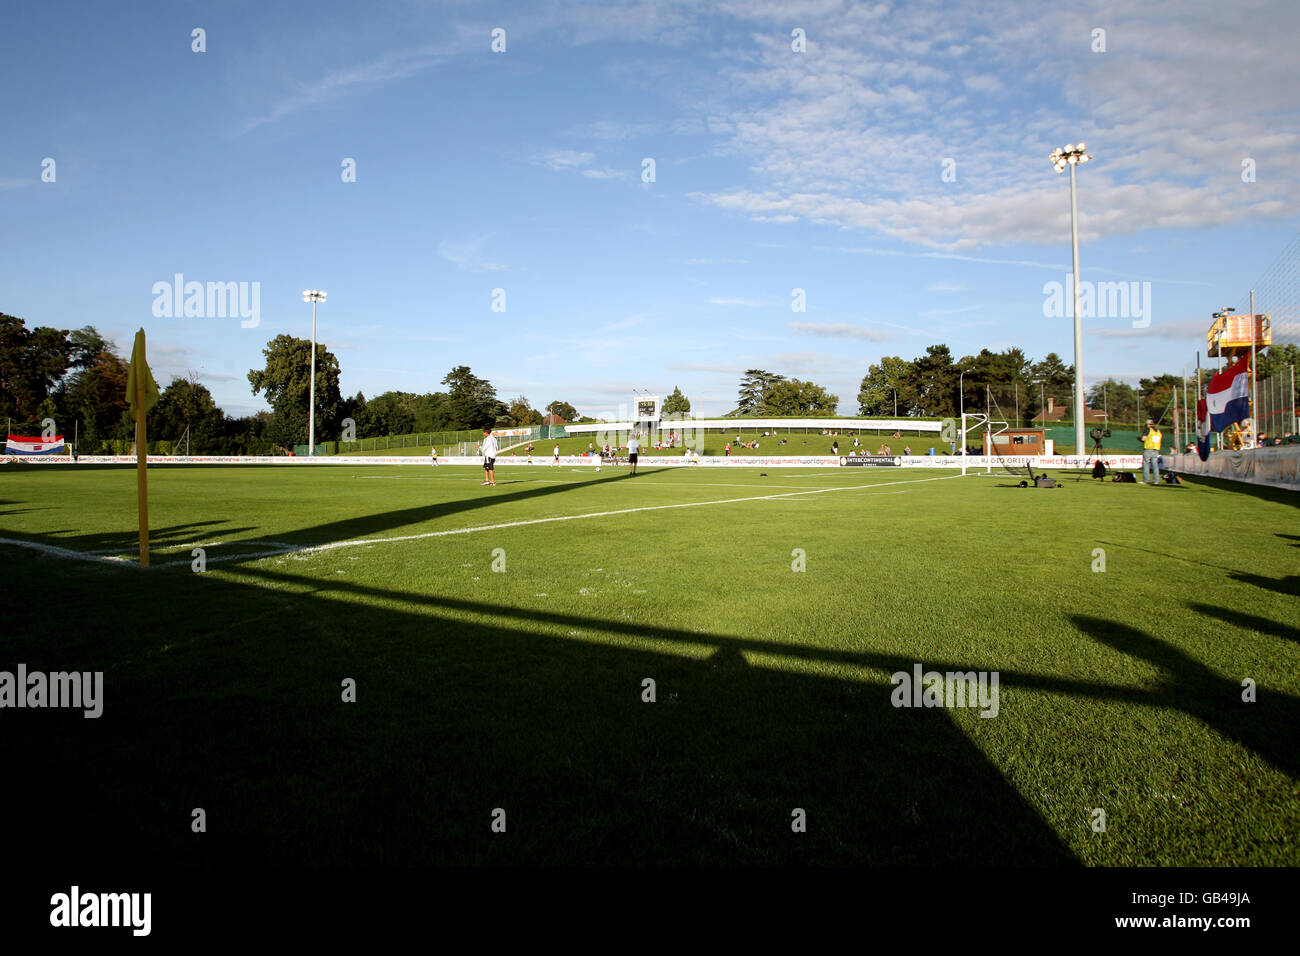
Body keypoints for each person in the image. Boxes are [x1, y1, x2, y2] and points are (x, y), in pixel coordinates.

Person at [1140, 418, 1161, 484]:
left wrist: (1139, 439)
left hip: (1148, 449)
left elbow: (1143, 439)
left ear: (1148, 424)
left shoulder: (1148, 429)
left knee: (1146, 464)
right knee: (1155, 465)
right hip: (1156, 450)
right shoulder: (1158, 431)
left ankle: (1146, 480)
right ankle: (1156, 481)